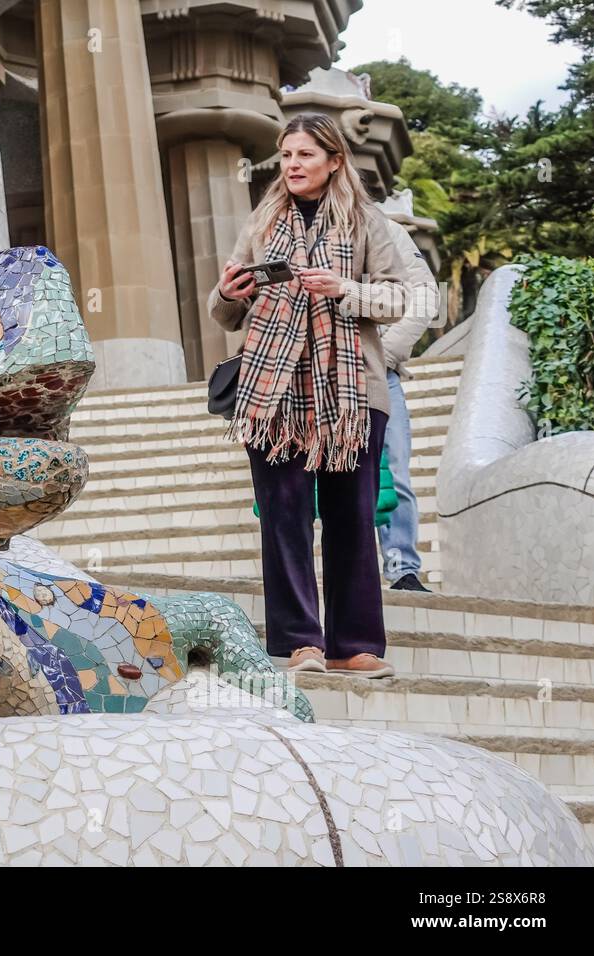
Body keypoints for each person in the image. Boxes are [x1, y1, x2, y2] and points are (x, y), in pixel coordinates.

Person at [208, 112, 413, 678]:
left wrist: (345, 287)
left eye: (305, 155)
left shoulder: (366, 222)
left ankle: (355, 644)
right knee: (285, 514)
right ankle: (301, 642)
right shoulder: (263, 219)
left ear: (334, 160)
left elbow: (399, 299)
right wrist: (227, 291)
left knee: (351, 516)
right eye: (287, 154)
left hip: (351, 394)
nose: (292, 165)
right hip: (272, 390)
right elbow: (227, 311)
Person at [376, 216, 439, 592]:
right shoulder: (291, 226)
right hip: (316, 374)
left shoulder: (384, 228)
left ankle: (402, 567)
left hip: (378, 373)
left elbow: (426, 295)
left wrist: (383, 353)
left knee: (393, 471)